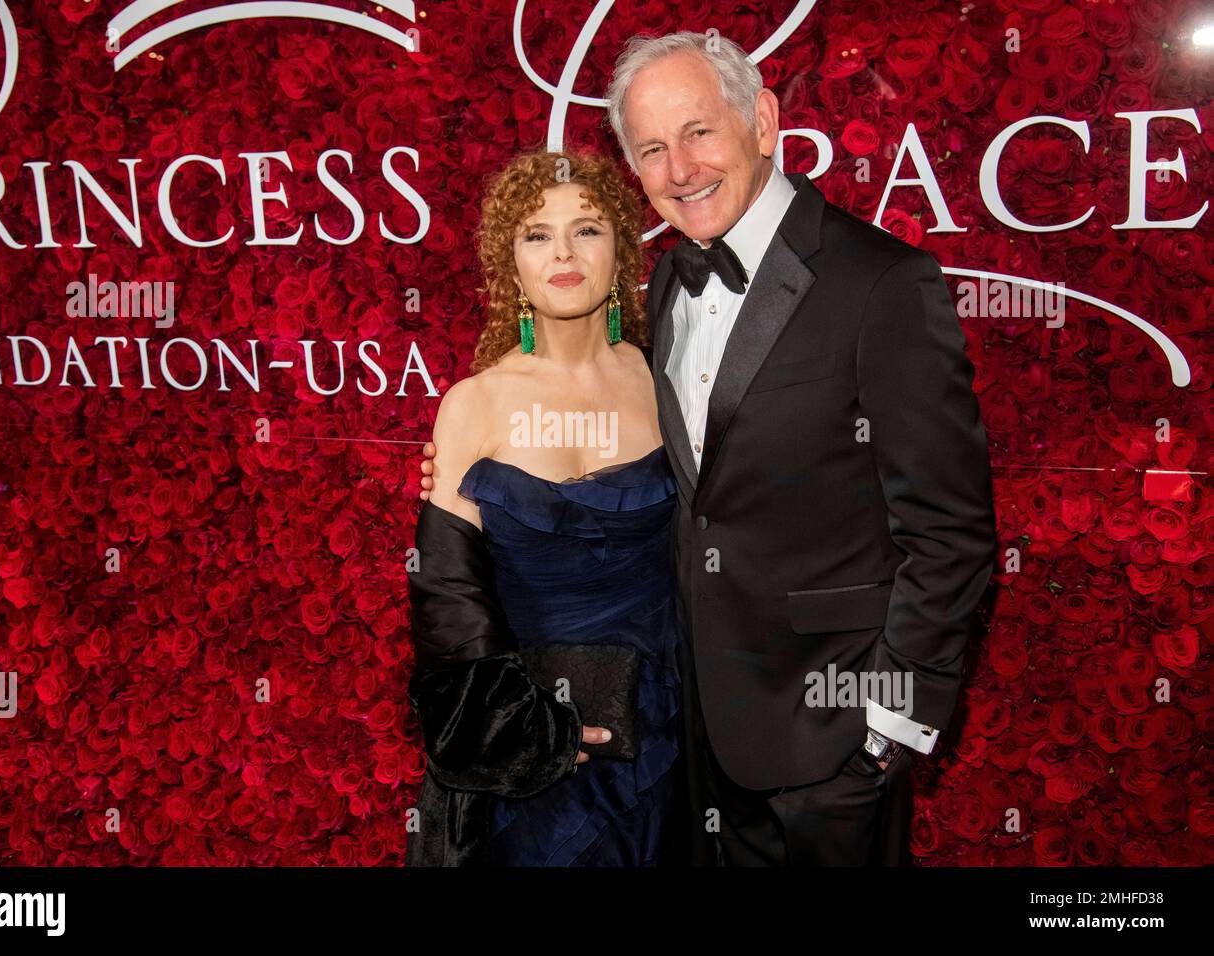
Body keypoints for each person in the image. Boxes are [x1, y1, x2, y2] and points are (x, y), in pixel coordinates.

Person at [423, 31, 997, 866]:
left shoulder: (882, 284)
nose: (681, 168)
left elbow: (951, 533)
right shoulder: (664, 291)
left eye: (699, 132)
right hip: (682, 739)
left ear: (762, 121)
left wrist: (884, 730)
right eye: (652, 149)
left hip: (826, 753)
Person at [405, 148, 688, 866]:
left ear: (622, 247)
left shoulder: (672, 387)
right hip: (522, 759)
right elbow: (448, 602)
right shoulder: (474, 406)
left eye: (587, 229)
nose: (563, 252)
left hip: (665, 738)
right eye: (537, 234)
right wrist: (528, 737)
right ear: (512, 263)